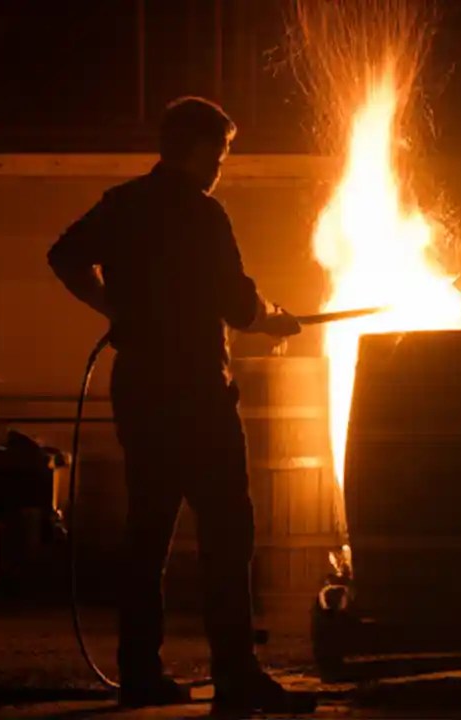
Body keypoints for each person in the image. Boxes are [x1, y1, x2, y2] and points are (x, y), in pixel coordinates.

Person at [47, 96, 315, 713]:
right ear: (197, 150)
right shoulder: (203, 216)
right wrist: (276, 321)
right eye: (219, 153)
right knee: (228, 532)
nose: (220, 166)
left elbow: (63, 256)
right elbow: (240, 306)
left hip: (141, 389)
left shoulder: (123, 205)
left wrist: (116, 310)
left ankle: (139, 675)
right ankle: (236, 678)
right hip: (198, 394)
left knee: (147, 533)